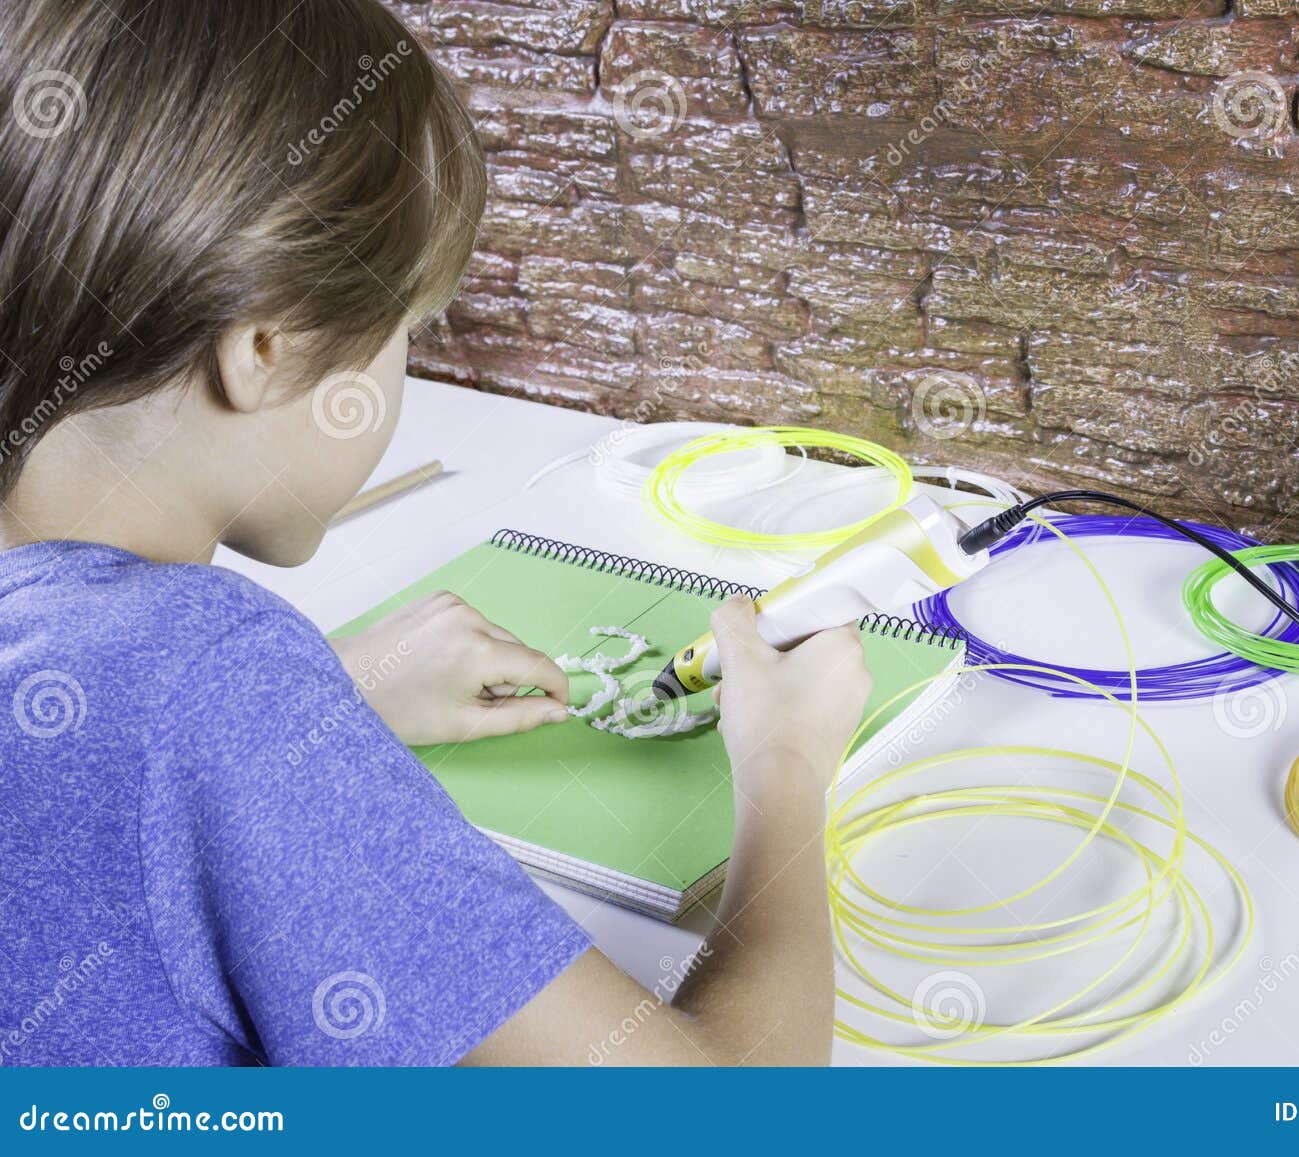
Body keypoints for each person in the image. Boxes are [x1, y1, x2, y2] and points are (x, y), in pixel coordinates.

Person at [0, 0, 868, 1067]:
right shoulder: (214, 686)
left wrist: (325, 702)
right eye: (406, 329)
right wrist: (786, 762)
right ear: (268, 348)